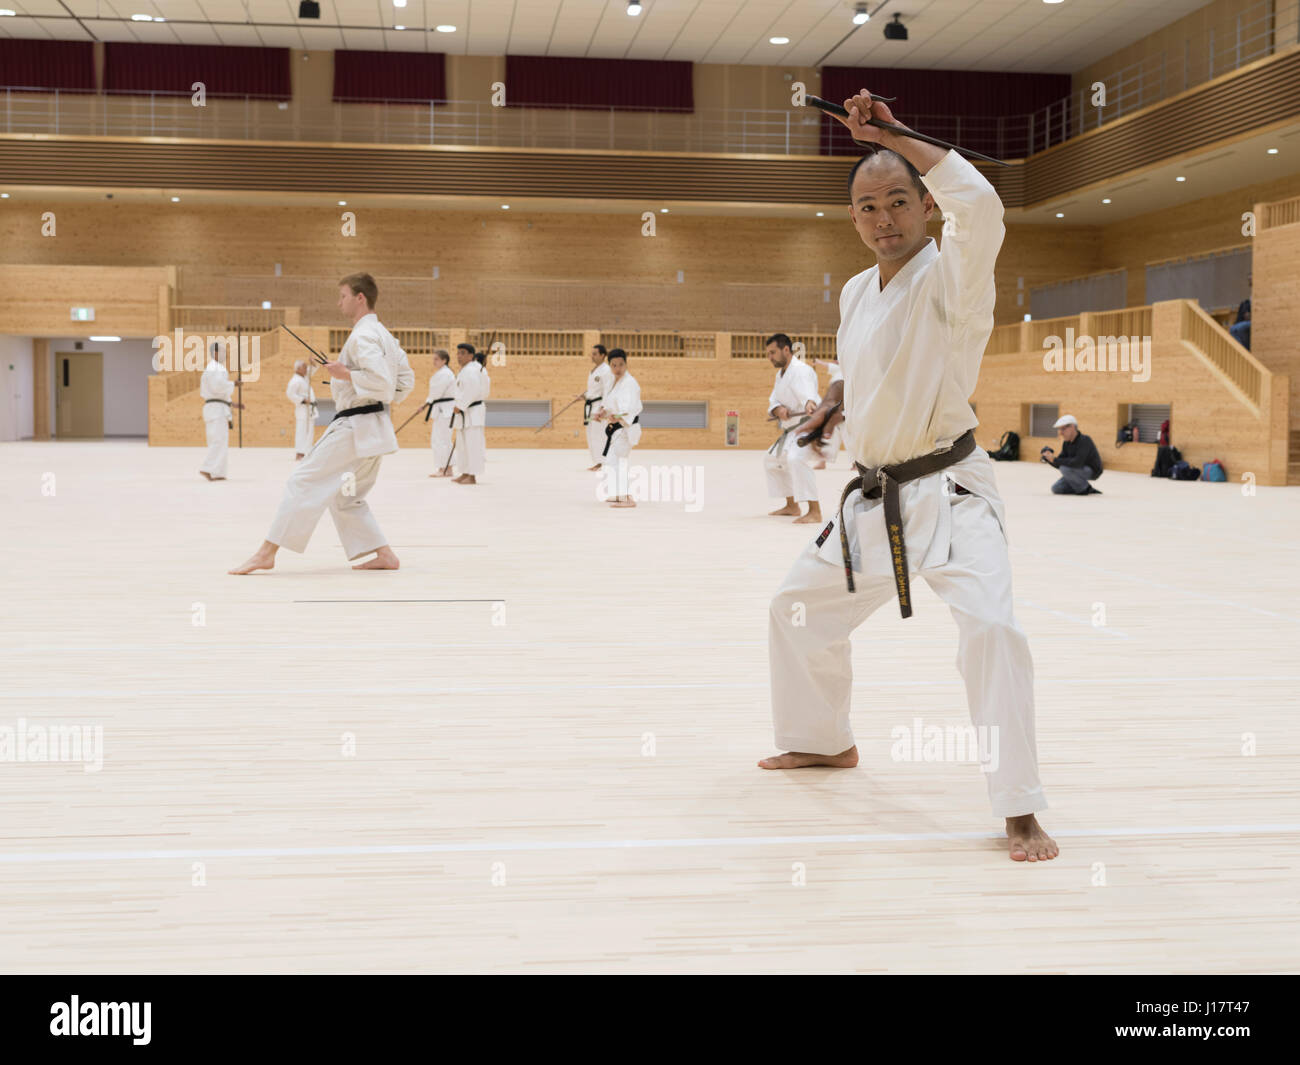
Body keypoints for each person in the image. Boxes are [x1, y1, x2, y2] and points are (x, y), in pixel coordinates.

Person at [760, 89, 1056, 863]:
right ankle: (822, 741)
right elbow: (869, 371)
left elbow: (984, 206)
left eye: (898, 201)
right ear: (852, 218)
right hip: (874, 492)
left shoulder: (955, 272)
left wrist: (897, 135)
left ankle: (1019, 806)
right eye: (867, 206)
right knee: (796, 608)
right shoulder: (857, 290)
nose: (883, 218)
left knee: (993, 629)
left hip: (951, 489)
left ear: (926, 206)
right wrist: (830, 407)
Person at [229, 273, 414, 574]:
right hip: (376, 427)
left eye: (342, 295)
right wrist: (353, 381)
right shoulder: (385, 337)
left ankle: (266, 553)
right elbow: (404, 383)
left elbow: (380, 382)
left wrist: (347, 376)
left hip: (355, 426)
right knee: (346, 497)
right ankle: (385, 555)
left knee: (301, 480)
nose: (338, 302)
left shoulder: (363, 335)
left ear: (360, 298)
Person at [763, 333, 822, 524]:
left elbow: (809, 394)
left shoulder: (800, 371)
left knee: (796, 459)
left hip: (807, 425)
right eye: (768, 353)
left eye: (773, 352)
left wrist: (809, 403)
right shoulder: (780, 375)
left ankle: (815, 510)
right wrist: (777, 409)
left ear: (786, 350)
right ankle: (792, 505)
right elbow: (774, 399)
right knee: (772, 459)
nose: (770, 357)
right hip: (791, 429)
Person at [593, 348, 642, 508]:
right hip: (617, 427)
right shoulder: (612, 382)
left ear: (626, 364)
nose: (617, 368)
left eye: (621, 365)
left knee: (619, 462)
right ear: (610, 365)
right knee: (611, 462)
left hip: (625, 427)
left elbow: (629, 409)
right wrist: (603, 412)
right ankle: (619, 495)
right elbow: (609, 404)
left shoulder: (630, 383)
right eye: (614, 365)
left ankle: (627, 497)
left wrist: (617, 416)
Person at [199, 342, 242, 480]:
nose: (226, 354)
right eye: (223, 352)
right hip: (216, 410)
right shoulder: (215, 367)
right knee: (218, 440)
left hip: (216, 407)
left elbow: (217, 393)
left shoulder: (214, 368)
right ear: (216, 353)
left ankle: (218, 472)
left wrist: (233, 404)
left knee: (219, 441)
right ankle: (207, 468)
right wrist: (233, 384)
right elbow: (217, 387)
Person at [451, 342, 489, 485]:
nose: (458, 356)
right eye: (458, 353)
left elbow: (473, 391)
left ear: (470, 355)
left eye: (462, 353)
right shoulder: (469, 369)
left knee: (473, 445)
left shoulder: (473, 370)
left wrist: (460, 406)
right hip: (465, 412)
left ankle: (472, 476)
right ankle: (465, 472)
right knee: (463, 445)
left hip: (472, 411)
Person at [1041, 414, 1103, 495]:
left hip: (1091, 470)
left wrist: (1055, 460)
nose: (1061, 433)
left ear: (1072, 427)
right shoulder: (1066, 443)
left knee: (1065, 468)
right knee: (1056, 488)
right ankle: (1086, 487)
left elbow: (1077, 462)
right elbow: (1059, 463)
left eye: (1063, 429)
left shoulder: (1085, 440)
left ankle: (1084, 489)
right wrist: (1049, 459)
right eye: (1060, 430)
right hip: (1075, 470)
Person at [580, 343, 616, 471]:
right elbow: (593, 390)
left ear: (602, 355)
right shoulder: (594, 370)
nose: (592, 356)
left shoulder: (606, 371)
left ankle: (603, 463)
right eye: (592, 354)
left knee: (599, 435)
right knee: (590, 435)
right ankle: (597, 462)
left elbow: (607, 391)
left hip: (598, 408)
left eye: (595, 354)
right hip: (590, 406)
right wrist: (584, 396)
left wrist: (603, 408)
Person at [424, 349, 456, 477]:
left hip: (444, 410)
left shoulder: (445, 374)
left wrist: (427, 402)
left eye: (436, 359)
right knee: (445, 440)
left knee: (439, 440)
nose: (434, 361)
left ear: (444, 360)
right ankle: (448, 468)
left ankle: (443, 468)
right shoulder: (444, 373)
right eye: (434, 359)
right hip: (443, 409)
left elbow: (436, 393)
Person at [285, 359, 316, 460]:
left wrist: (313, 364)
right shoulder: (295, 380)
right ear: (298, 369)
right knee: (301, 431)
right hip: (303, 409)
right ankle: (299, 453)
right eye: (304, 367)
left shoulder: (303, 378)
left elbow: (311, 372)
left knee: (309, 431)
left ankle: (306, 452)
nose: (306, 369)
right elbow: (290, 394)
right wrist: (302, 400)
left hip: (309, 409)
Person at [1230, 273, 1251, 350]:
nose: (1249, 282)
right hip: (1247, 321)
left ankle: (1243, 350)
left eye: (1250, 279)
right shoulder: (1249, 297)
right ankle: (1242, 349)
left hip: (1254, 321)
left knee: (1234, 329)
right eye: (1249, 280)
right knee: (1235, 329)